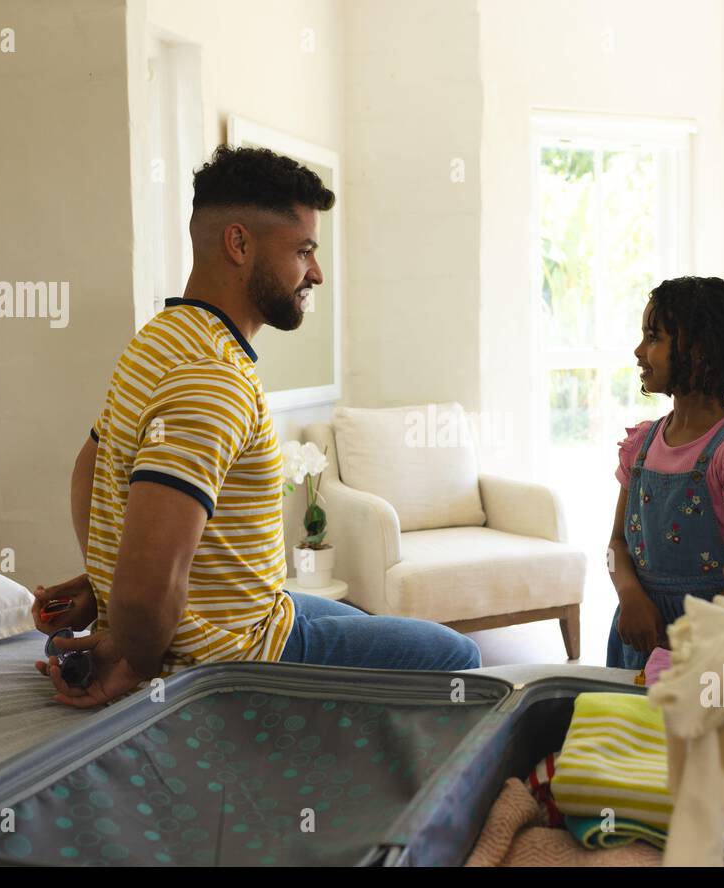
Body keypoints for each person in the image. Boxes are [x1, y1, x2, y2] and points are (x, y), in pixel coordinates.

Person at [33, 146, 479, 708]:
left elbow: (89, 468)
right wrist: (135, 663)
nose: (315, 272)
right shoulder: (214, 378)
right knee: (460, 661)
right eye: (303, 250)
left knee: (360, 616)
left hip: (265, 607)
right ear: (239, 244)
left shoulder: (160, 339)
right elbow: (147, 587)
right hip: (240, 653)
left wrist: (101, 587)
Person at [607, 277, 724, 675]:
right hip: (639, 638)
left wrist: (687, 632)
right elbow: (616, 545)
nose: (639, 352)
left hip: (714, 647)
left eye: (653, 337)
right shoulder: (639, 445)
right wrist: (630, 596)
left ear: (700, 351)